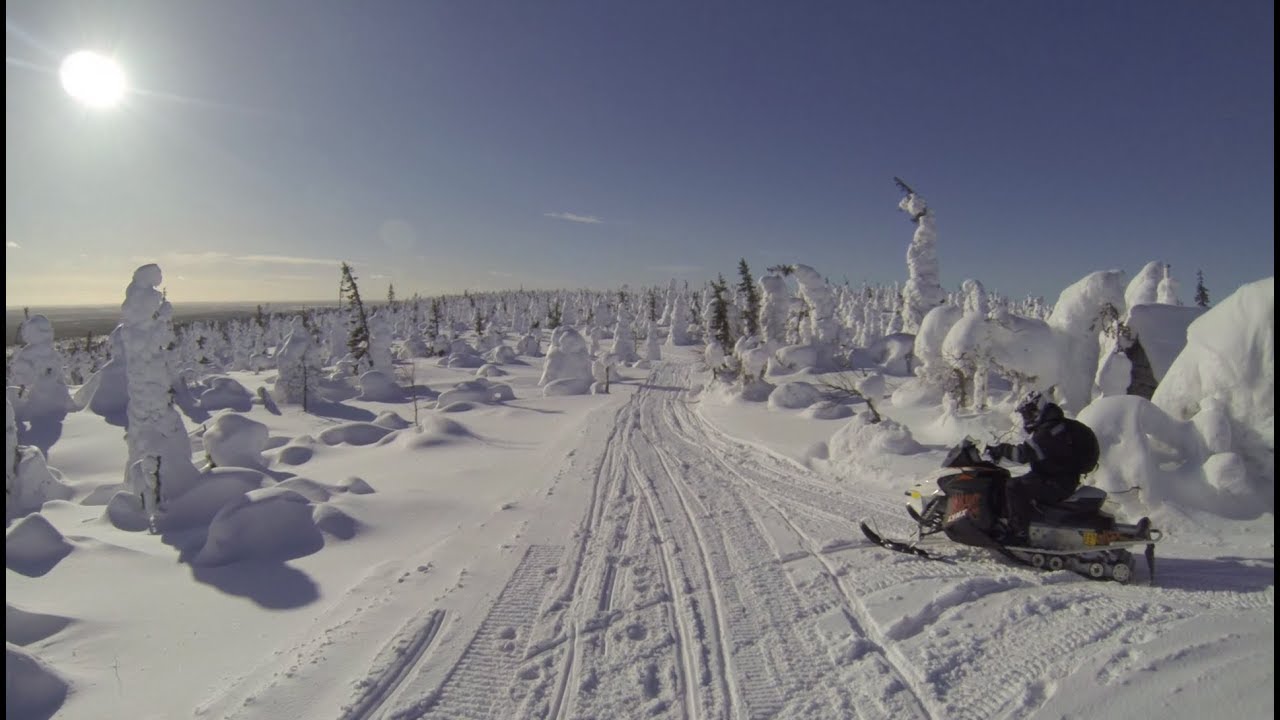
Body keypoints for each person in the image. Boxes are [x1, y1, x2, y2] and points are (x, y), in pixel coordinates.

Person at [985, 390, 1100, 545]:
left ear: (1038, 410)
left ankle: (1019, 534)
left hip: (1058, 482)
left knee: (1014, 487)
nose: (1027, 418)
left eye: (1029, 414)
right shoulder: (1055, 427)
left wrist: (1000, 450)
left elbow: (1024, 454)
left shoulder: (1051, 431)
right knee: (1016, 482)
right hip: (1055, 478)